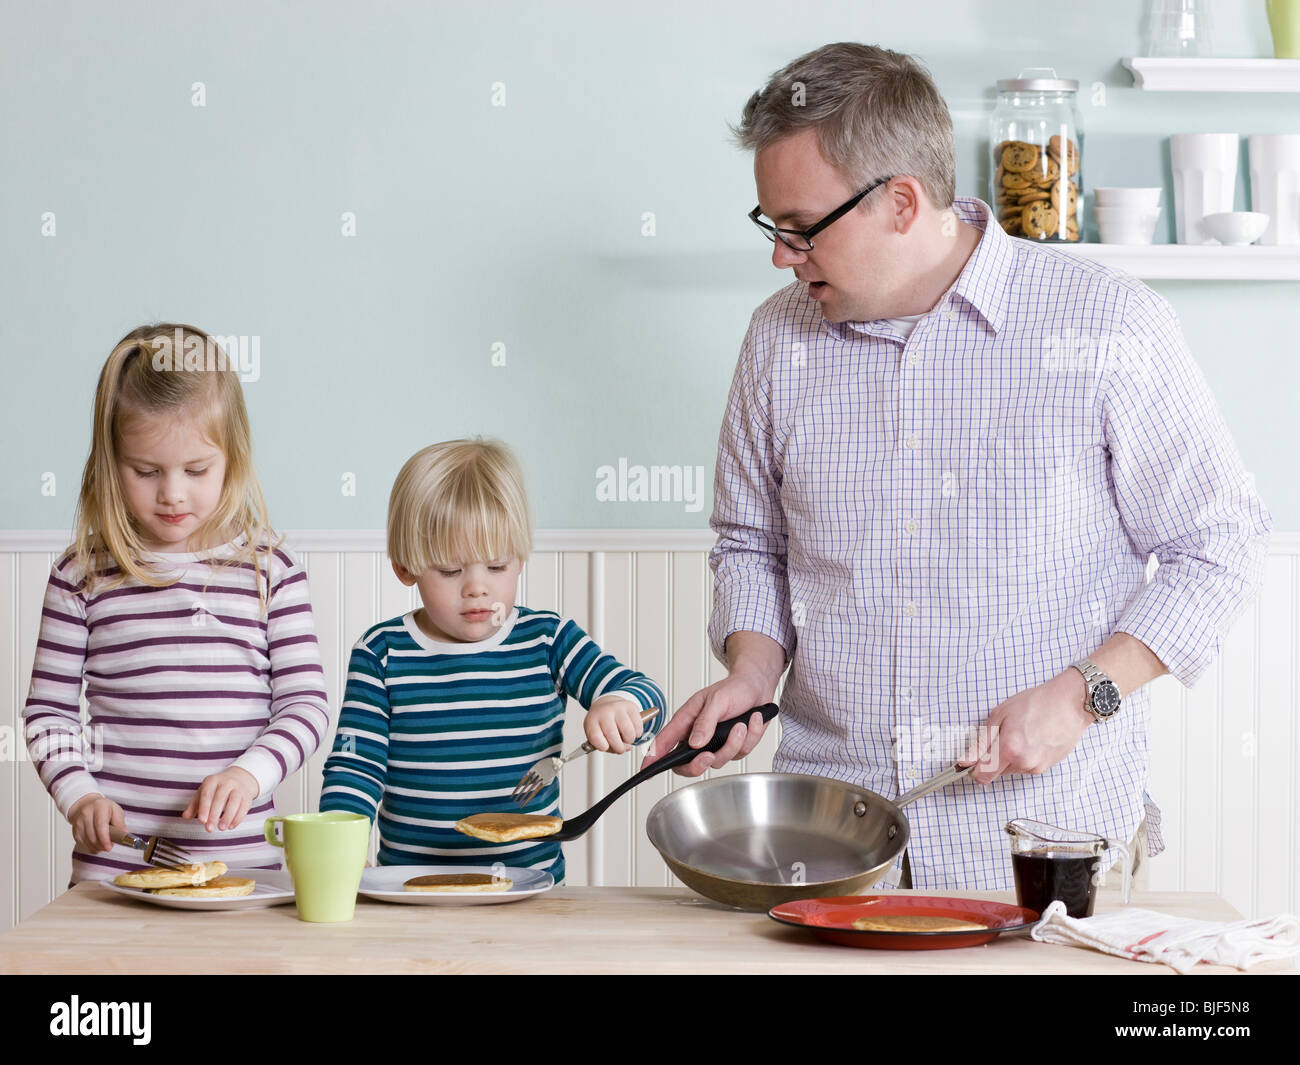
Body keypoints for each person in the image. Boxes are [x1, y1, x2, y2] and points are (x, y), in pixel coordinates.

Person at [645, 43, 1271, 890]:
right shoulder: (775, 340)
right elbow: (752, 542)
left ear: (901, 202)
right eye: (773, 229)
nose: (782, 257)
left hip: (1044, 845)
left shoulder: (1109, 324)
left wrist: (1084, 693)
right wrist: (752, 673)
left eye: (801, 229)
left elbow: (1221, 544)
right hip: (835, 851)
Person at [22, 323, 330, 883]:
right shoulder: (80, 576)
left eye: (196, 470)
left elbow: (305, 707)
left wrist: (248, 775)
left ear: (232, 459)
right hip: (116, 870)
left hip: (243, 871)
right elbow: (49, 715)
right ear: (110, 461)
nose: (173, 493)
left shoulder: (271, 573)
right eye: (145, 471)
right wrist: (79, 795)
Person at [319, 438, 665, 882]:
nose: (477, 588)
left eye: (496, 566)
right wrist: (338, 850)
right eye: (450, 570)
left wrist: (621, 705)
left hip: (528, 889)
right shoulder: (382, 653)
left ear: (520, 559)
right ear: (406, 566)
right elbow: (356, 766)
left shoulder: (547, 639)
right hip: (411, 891)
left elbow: (648, 696)